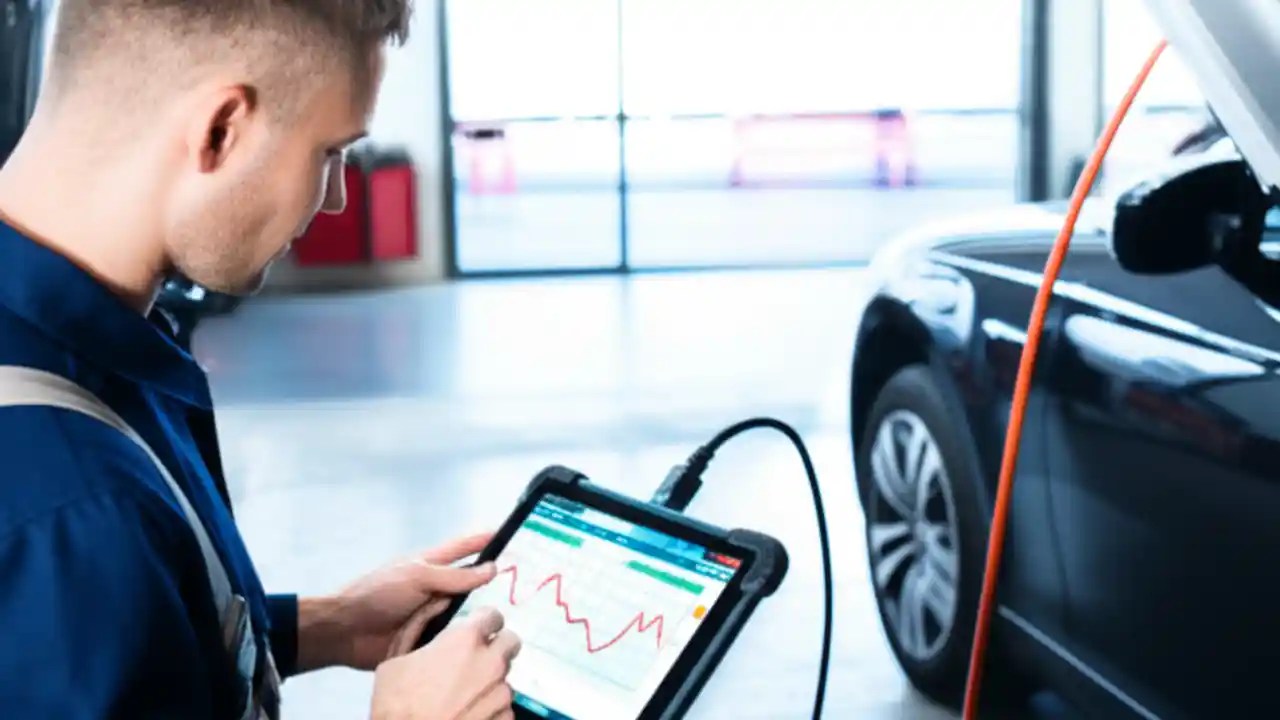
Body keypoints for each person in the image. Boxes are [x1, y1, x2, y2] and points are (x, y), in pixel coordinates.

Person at [0, 1, 519, 718]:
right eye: (330, 151)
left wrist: (332, 622)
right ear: (220, 129)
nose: (336, 197)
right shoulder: (76, 511)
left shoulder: (93, 350)